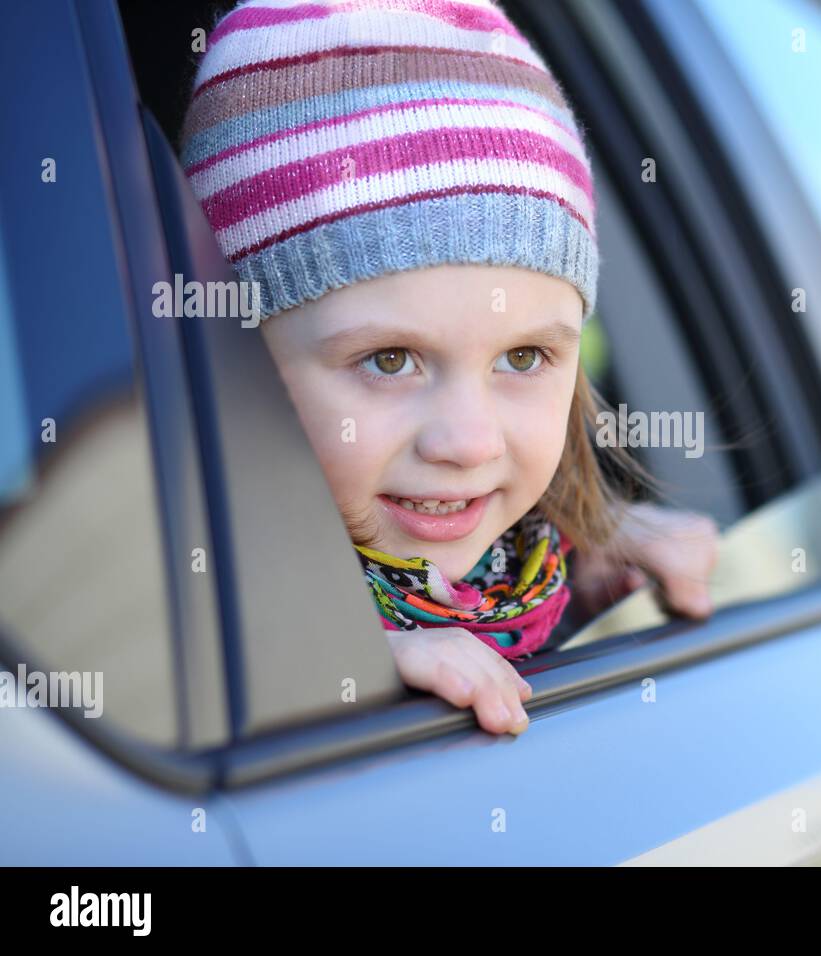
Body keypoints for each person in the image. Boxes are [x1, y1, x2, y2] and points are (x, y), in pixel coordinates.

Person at [179, 0, 719, 736]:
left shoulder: (540, 576)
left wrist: (601, 565)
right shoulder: (174, 608)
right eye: (390, 360)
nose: (469, 443)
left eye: (524, 357)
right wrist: (344, 661)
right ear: (235, 364)